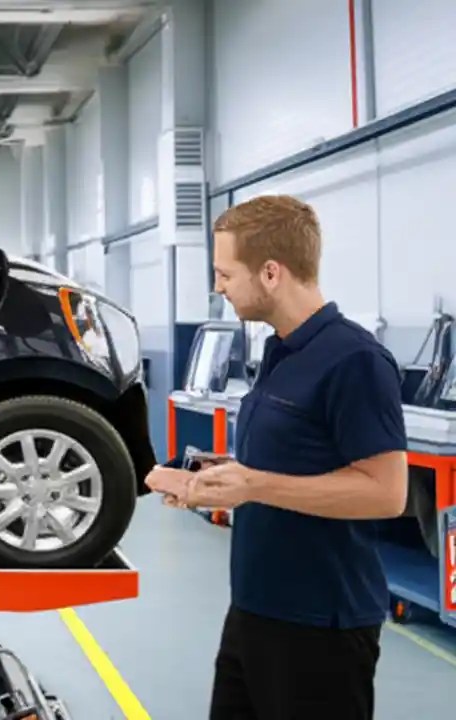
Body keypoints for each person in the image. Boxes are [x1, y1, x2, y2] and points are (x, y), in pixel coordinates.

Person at [145, 194, 408, 719]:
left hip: (321, 630)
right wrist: (221, 475)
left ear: (270, 273)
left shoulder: (354, 360)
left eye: (225, 274)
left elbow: (386, 493)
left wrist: (254, 485)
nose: (218, 287)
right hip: (254, 610)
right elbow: (291, 459)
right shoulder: (280, 351)